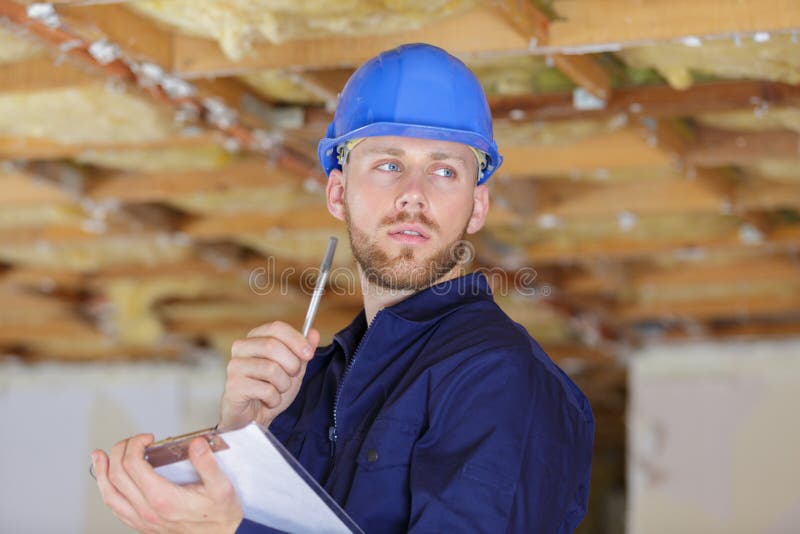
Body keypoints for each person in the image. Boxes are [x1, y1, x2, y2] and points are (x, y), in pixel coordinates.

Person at [92, 43, 594, 533]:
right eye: (388, 165)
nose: (413, 196)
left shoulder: (501, 377)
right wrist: (240, 440)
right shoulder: (306, 388)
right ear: (338, 191)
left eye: (444, 171)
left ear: (477, 205)